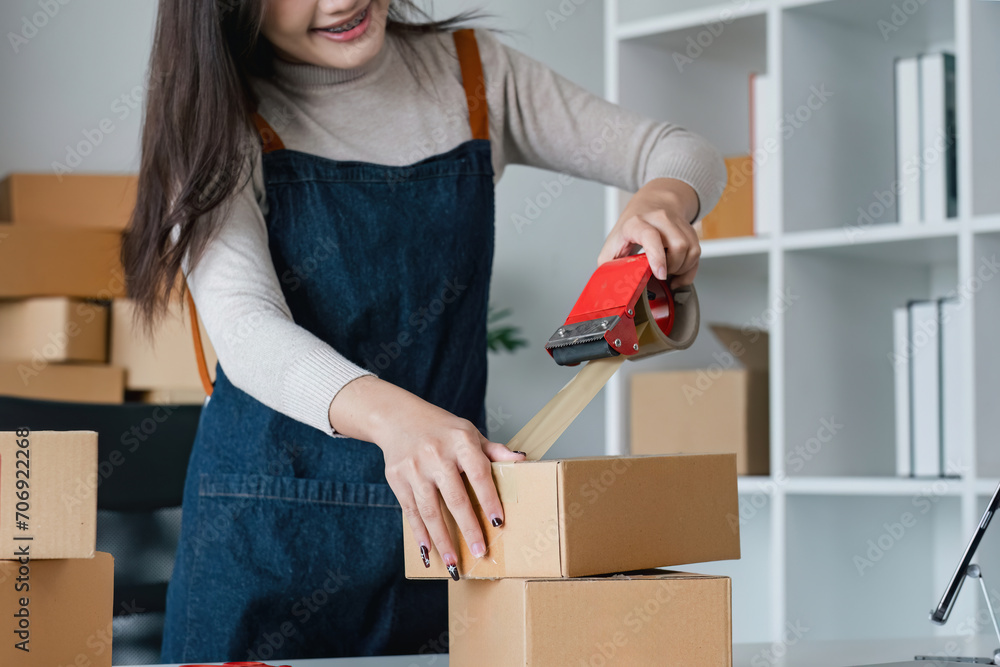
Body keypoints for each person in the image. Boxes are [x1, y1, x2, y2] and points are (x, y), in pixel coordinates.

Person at [121, 0, 726, 662]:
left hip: (448, 532)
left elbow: (681, 150)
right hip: (264, 539)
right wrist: (399, 424)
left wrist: (658, 203)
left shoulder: (472, 74)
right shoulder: (218, 114)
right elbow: (247, 331)